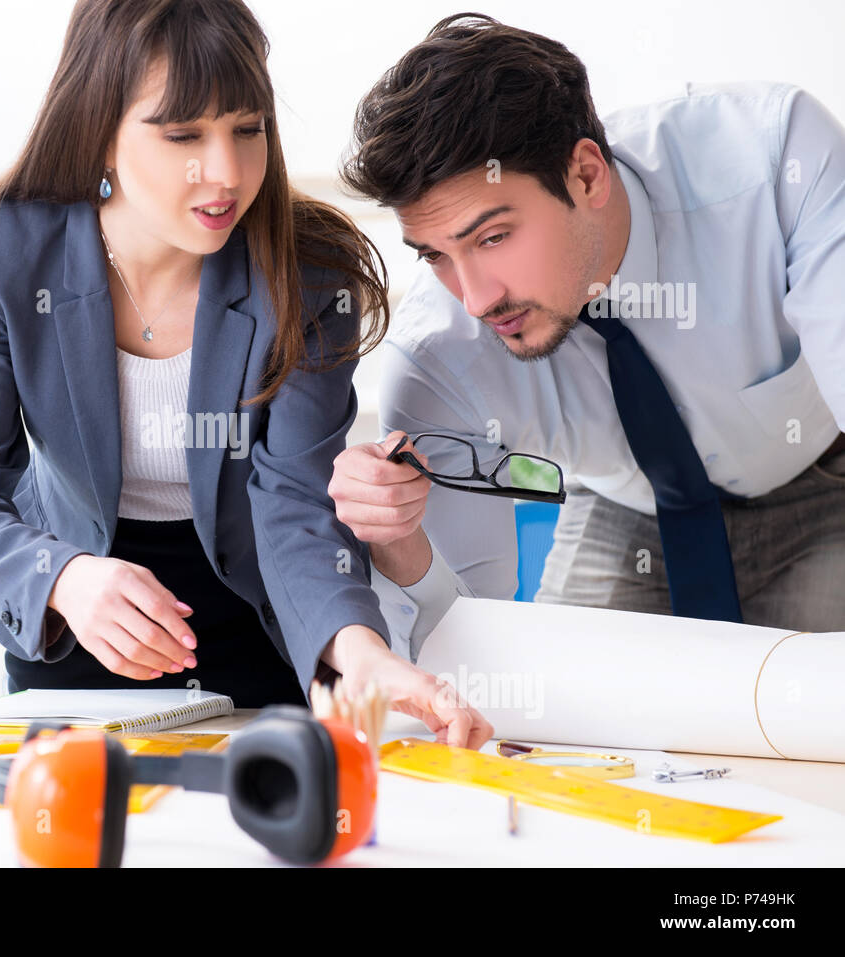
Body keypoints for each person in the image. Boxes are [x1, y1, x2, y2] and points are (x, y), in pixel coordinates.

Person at [0, 0, 491, 744]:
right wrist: (63, 578)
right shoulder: (4, 249)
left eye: (248, 129)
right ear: (100, 132)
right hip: (78, 629)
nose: (225, 173)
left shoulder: (308, 272)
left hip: (262, 631)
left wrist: (360, 653)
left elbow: (293, 503)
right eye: (184, 134)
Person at [329, 13, 845, 659]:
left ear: (587, 175)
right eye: (434, 255)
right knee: (558, 730)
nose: (477, 297)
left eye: (493, 238)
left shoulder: (778, 161)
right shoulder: (438, 356)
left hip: (823, 489)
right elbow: (464, 646)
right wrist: (397, 543)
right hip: (624, 506)